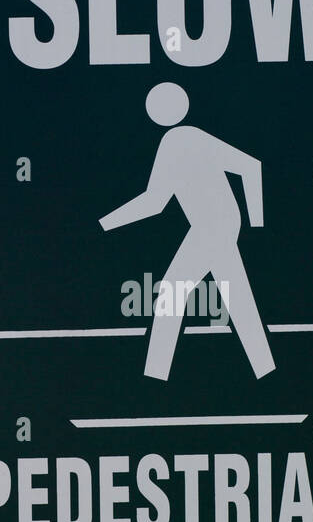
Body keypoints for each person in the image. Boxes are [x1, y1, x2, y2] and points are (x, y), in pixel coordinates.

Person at [99, 82, 275, 382]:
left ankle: (154, 376)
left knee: (171, 293)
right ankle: (265, 368)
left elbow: (154, 202)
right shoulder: (188, 137)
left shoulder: (177, 140)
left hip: (212, 228)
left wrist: (105, 224)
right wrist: (252, 223)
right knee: (238, 298)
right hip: (219, 226)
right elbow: (251, 166)